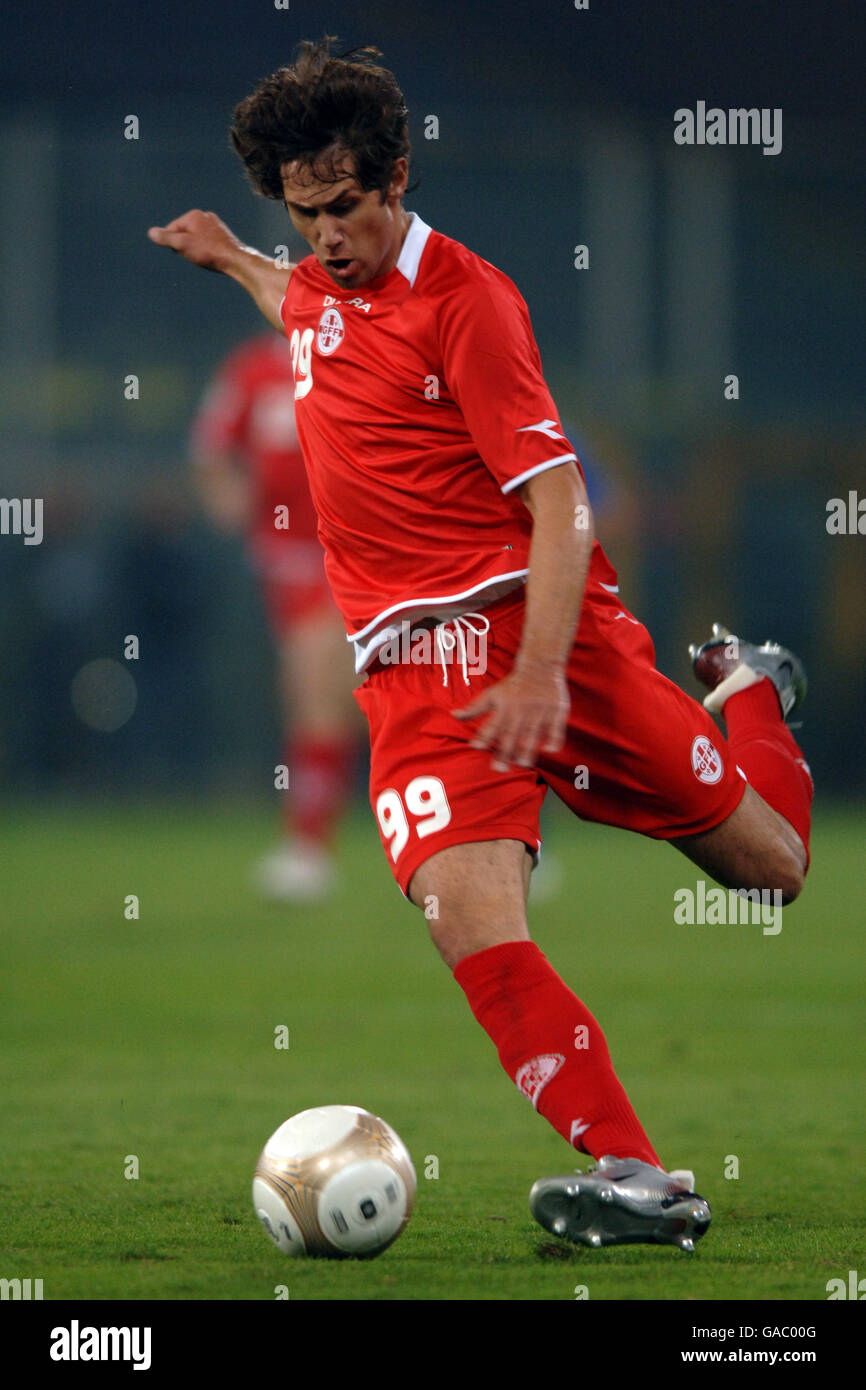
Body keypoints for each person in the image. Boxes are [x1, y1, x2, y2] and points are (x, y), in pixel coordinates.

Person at [148, 37, 812, 1251]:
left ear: (395, 176)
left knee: (769, 873)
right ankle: (640, 1176)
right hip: (413, 669)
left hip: (548, 631)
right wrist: (229, 256)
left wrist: (543, 673)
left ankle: (755, 693)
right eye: (301, 215)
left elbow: (561, 506)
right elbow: (285, 298)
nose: (326, 235)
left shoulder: (469, 303)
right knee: (471, 918)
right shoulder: (306, 281)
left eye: (345, 206)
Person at [190, 334, 361, 899]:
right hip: (284, 560)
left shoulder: (366, 355)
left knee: (318, 688)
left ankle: (309, 849)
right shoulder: (252, 368)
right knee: (333, 698)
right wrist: (226, 495)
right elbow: (212, 447)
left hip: (358, 550)